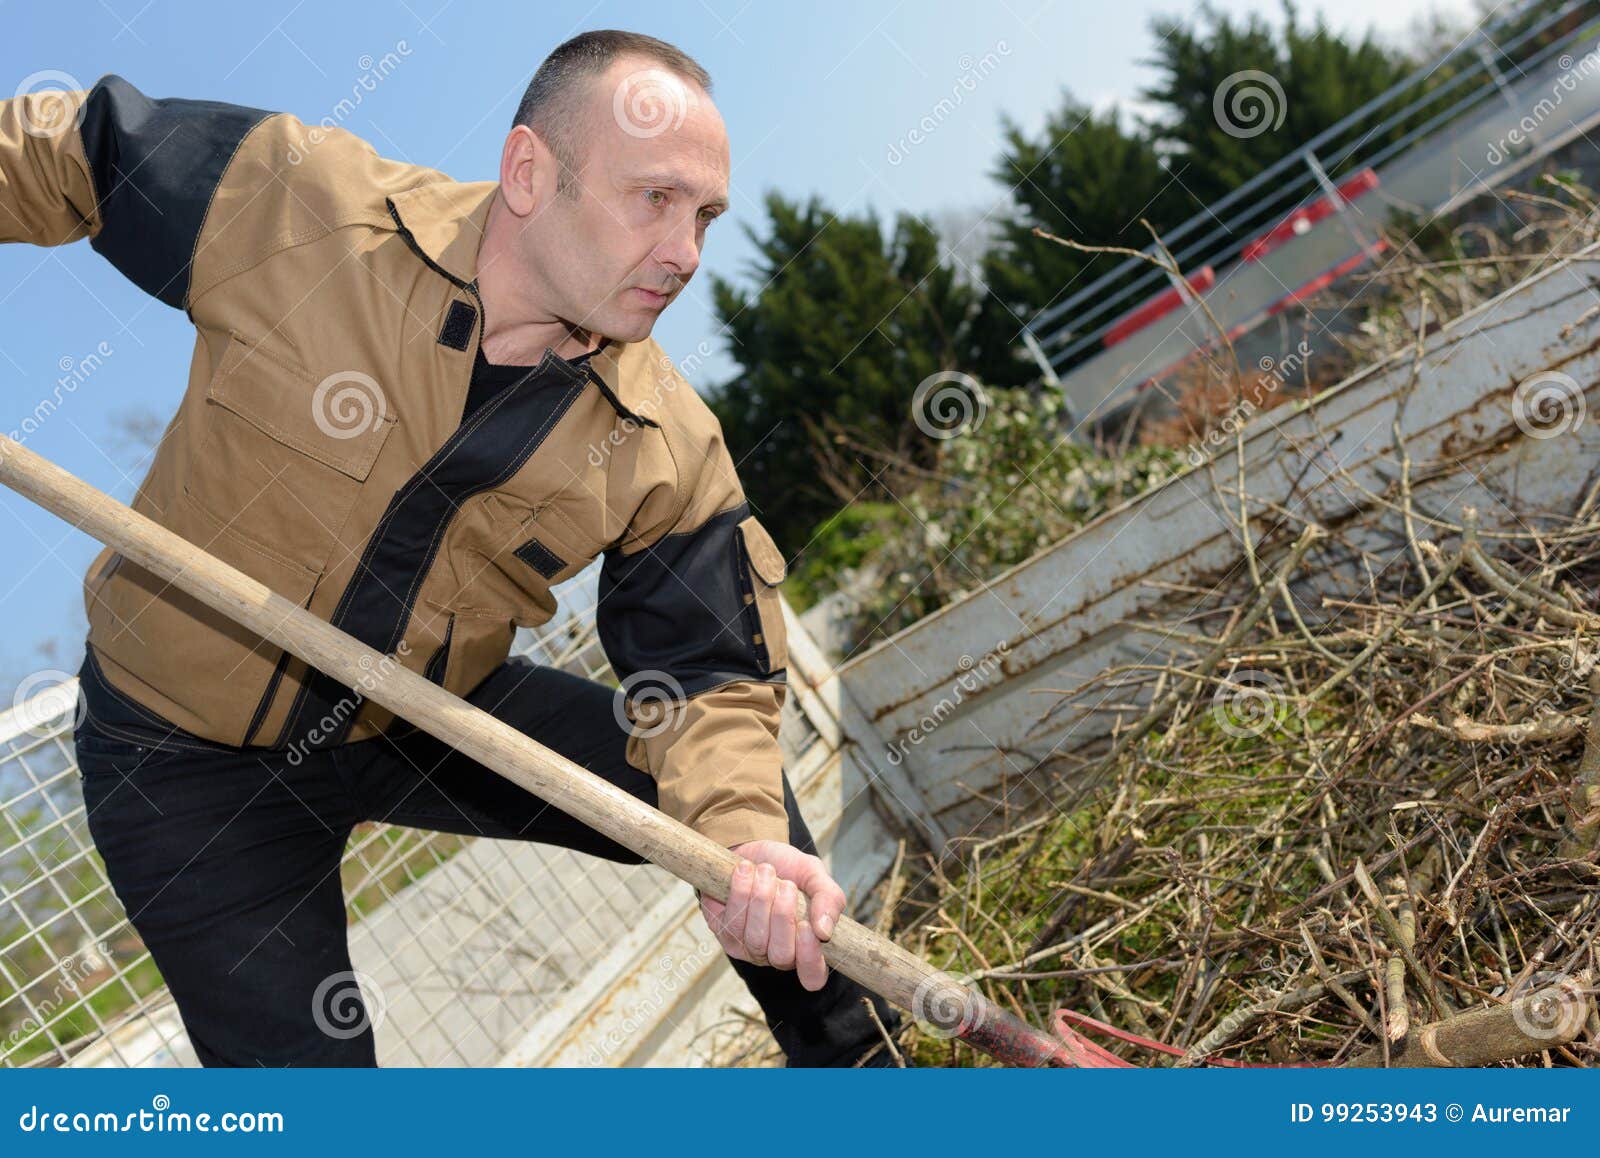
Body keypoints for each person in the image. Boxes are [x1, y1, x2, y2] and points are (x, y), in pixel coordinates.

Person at [0, 29, 905, 1067]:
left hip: (427, 715)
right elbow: (73, 153)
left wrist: (742, 844)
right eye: (652, 199)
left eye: (703, 216)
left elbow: (706, 674)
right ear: (529, 173)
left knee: (743, 834)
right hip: (178, 758)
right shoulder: (304, 212)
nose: (685, 252)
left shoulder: (661, 440)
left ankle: (865, 1081)